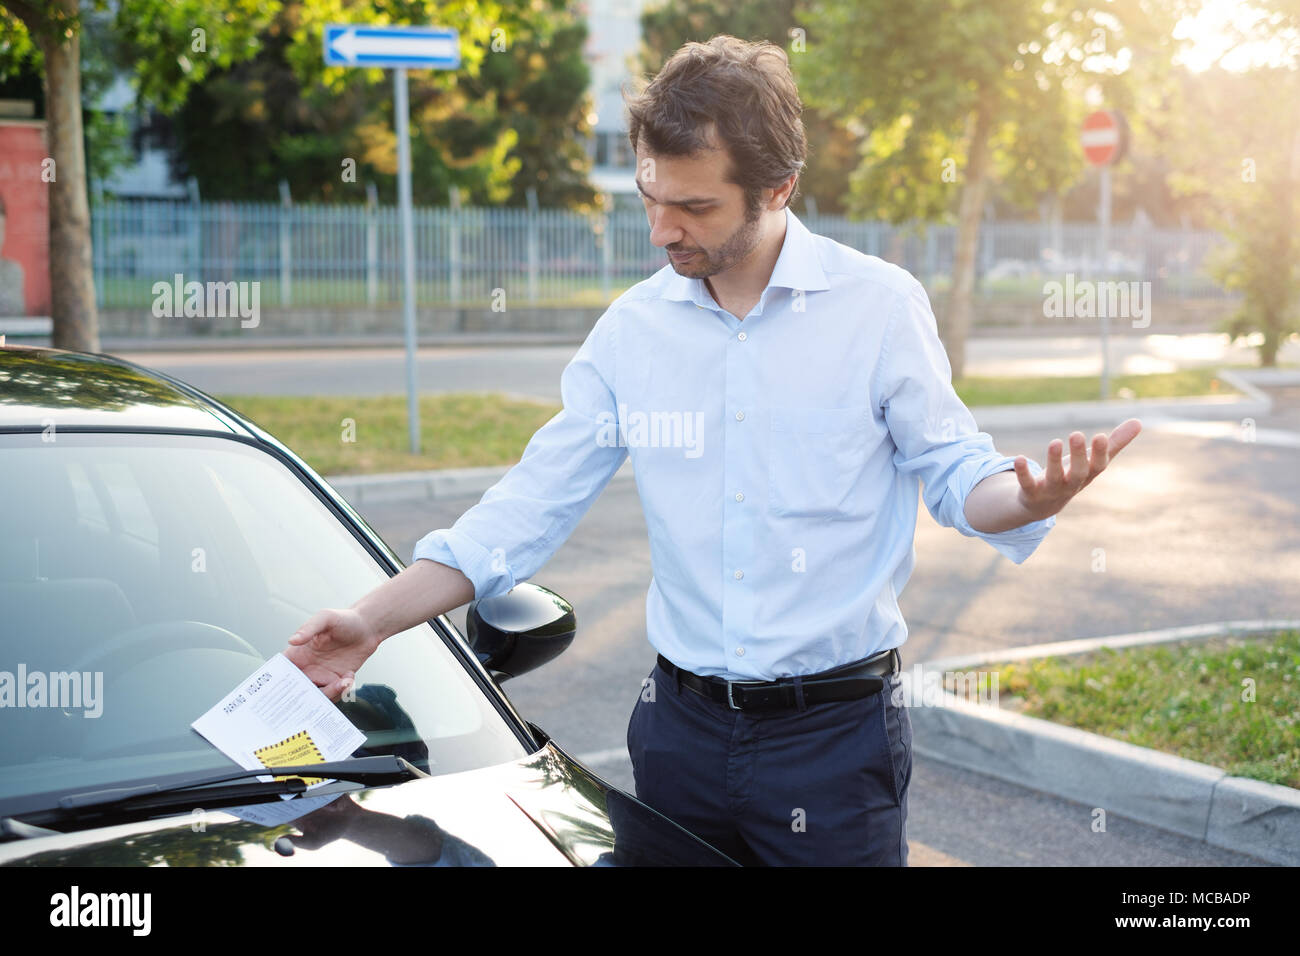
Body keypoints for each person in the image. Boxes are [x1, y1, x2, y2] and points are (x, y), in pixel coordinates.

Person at [284, 34, 1142, 866]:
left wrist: (1027, 498)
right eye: (651, 197)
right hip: (677, 738)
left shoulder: (878, 308)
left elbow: (961, 477)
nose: (662, 230)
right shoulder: (633, 330)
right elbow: (526, 508)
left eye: (695, 207)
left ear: (779, 190)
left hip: (835, 745)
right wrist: (371, 622)